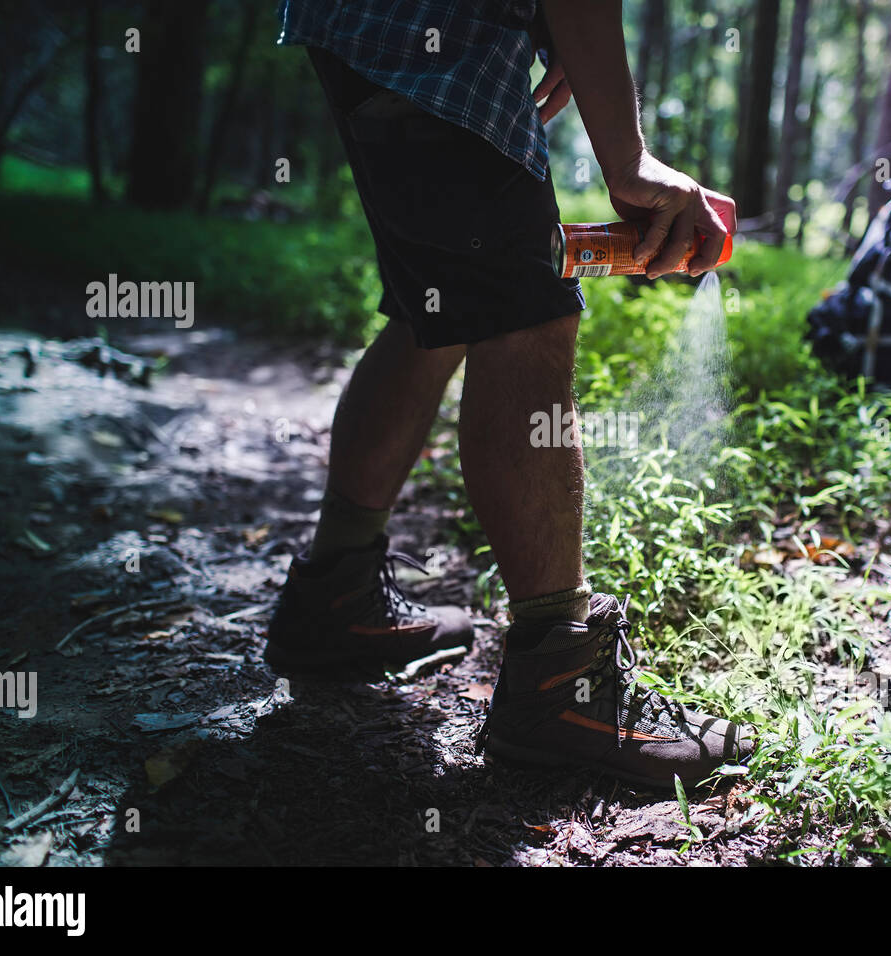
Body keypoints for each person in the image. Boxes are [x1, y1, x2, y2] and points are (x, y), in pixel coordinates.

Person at [266, 0, 752, 789]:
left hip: (375, 29)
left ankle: (336, 594)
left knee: (442, 309)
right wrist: (629, 161)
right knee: (527, 321)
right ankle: (561, 684)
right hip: (444, 43)